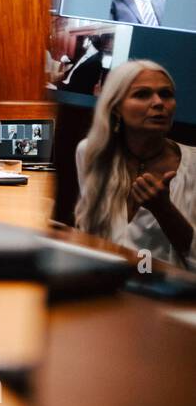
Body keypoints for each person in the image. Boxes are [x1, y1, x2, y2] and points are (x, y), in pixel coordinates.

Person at [74, 61, 195, 267]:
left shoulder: (192, 165)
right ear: (116, 107)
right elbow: (91, 232)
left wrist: (164, 210)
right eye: (142, 94)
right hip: (103, 282)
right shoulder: (92, 152)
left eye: (166, 94)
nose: (159, 103)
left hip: (172, 292)